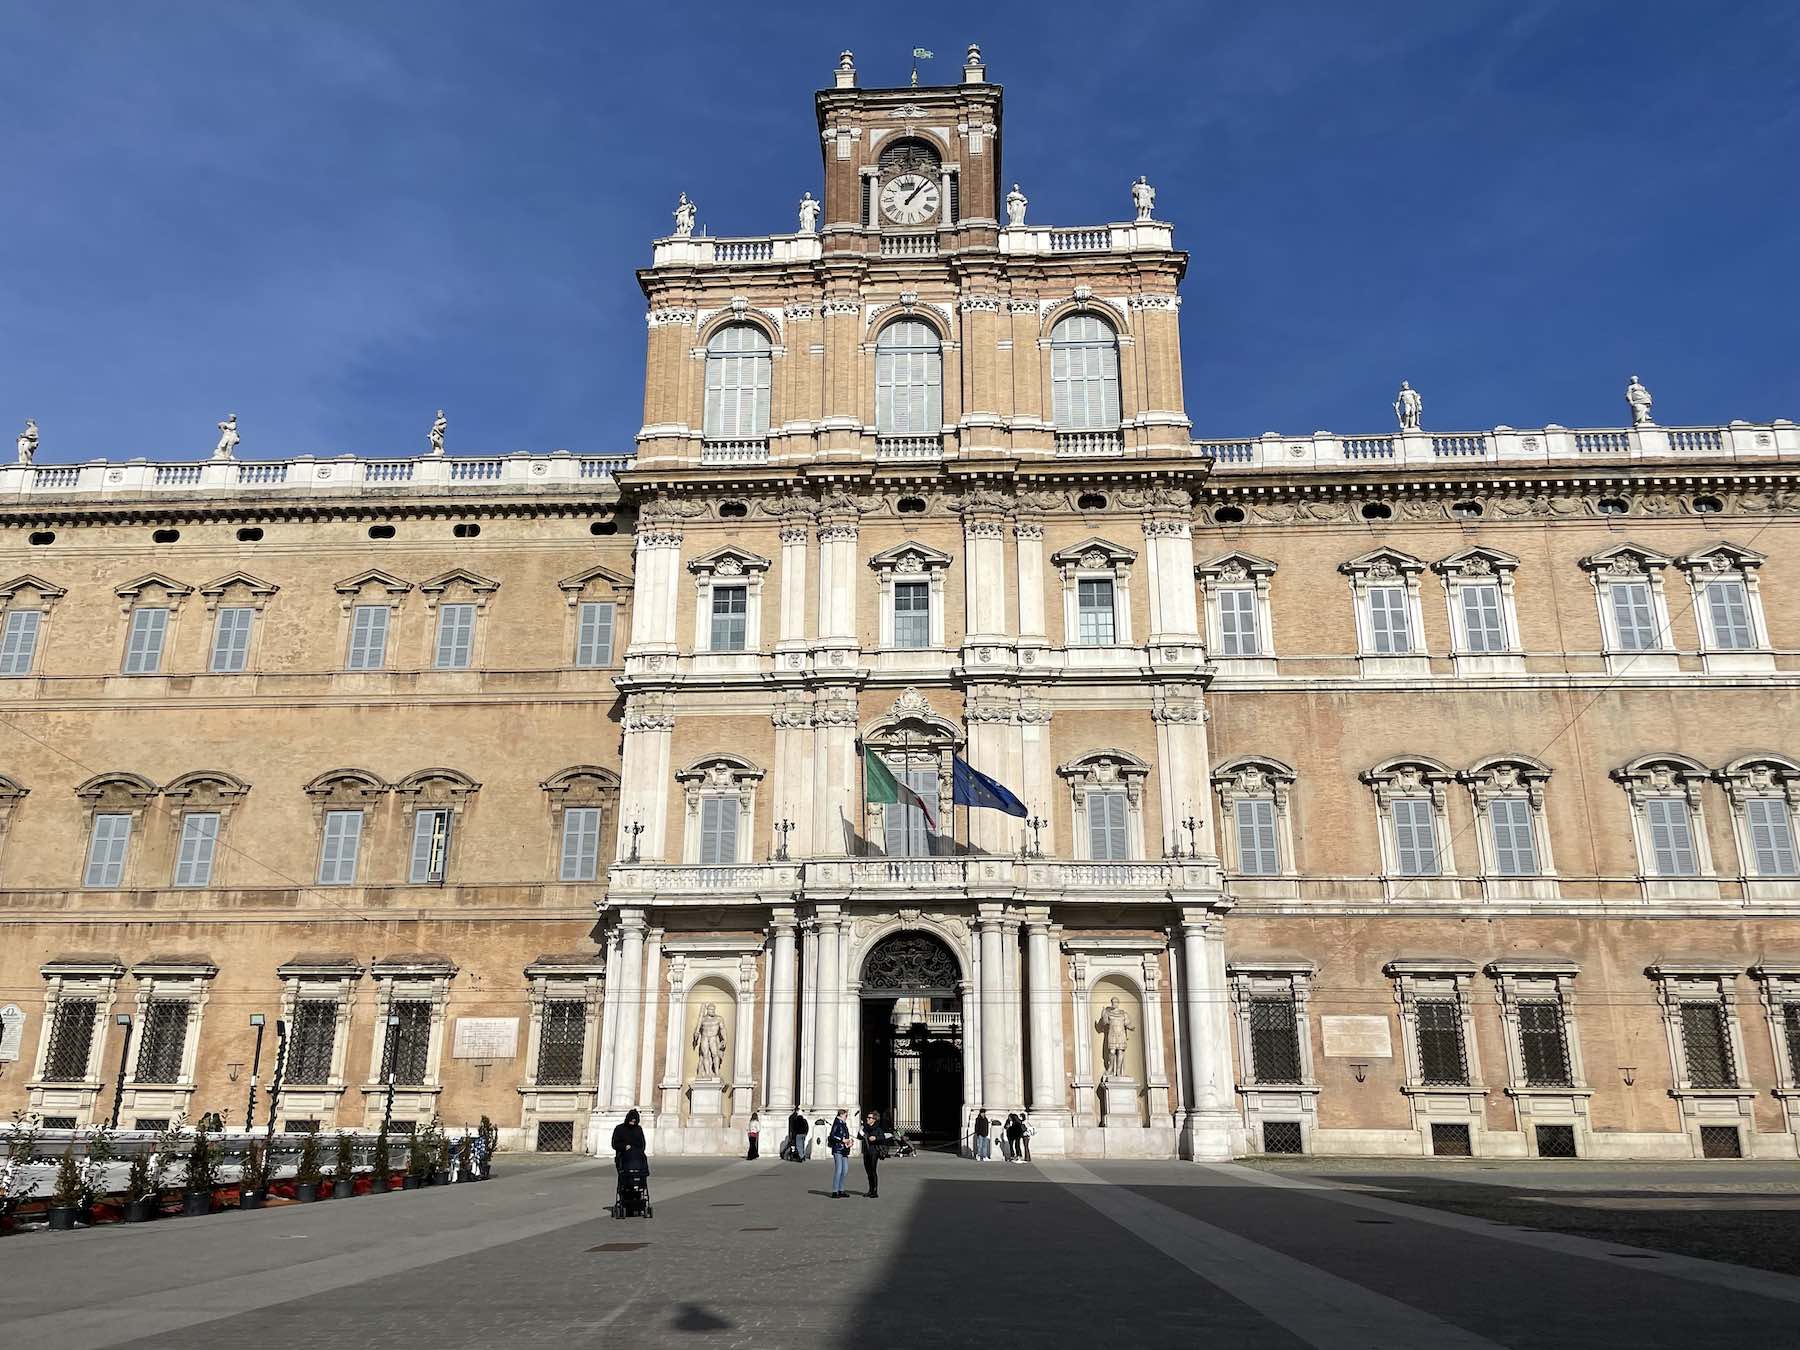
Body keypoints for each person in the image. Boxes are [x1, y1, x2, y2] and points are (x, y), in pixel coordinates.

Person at [610, 1108, 647, 1174]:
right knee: (624, 1177)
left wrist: (636, 1150)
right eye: (631, 1121)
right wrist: (624, 1147)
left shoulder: (638, 1129)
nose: (632, 1123)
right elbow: (614, 1144)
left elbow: (642, 1144)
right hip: (623, 1158)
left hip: (637, 1158)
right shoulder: (619, 1128)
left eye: (634, 1122)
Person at [857, 1110, 883, 1199]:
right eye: (867, 1117)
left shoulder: (878, 1129)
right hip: (866, 1152)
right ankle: (870, 1190)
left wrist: (875, 1138)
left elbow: (883, 1138)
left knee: (873, 1171)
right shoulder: (865, 1127)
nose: (867, 1119)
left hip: (874, 1152)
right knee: (868, 1172)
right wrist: (860, 1130)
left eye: (869, 1118)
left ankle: (875, 1191)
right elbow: (859, 1137)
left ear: (874, 1119)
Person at [827, 1108, 851, 1198]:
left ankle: (841, 1189)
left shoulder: (844, 1124)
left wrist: (849, 1142)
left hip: (844, 1149)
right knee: (839, 1170)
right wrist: (842, 1140)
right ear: (841, 1115)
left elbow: (846, 1136)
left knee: (845, 1170)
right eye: (846, 1115)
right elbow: (832, 1135)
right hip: (837, 1149)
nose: (846, 1117)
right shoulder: (837, 1123)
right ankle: (835, 1191)